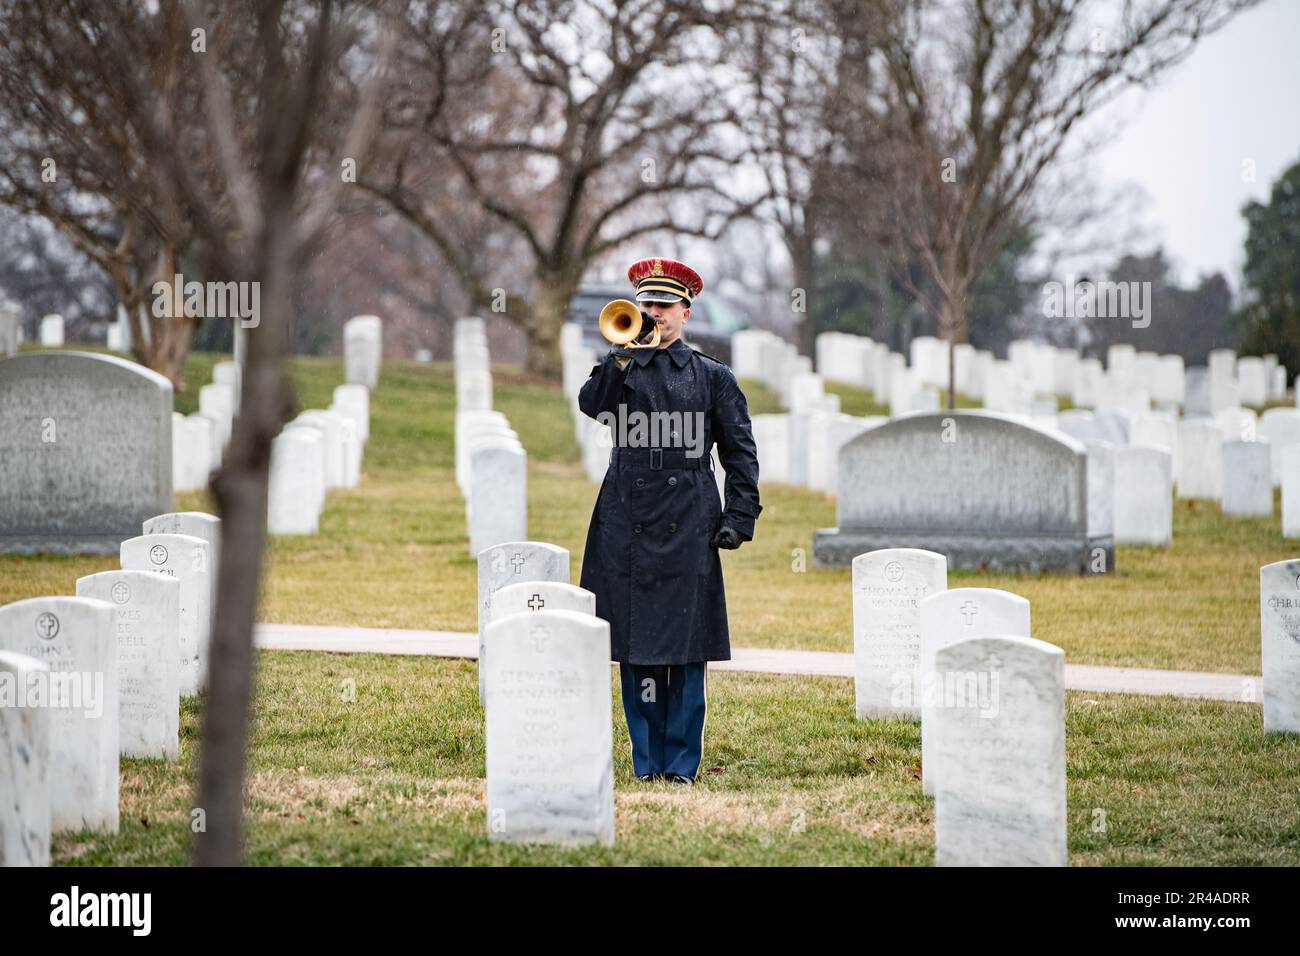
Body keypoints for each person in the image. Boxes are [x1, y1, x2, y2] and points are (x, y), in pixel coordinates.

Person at [578, 257, 761, 785]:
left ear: (685, 311)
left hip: (688, 515)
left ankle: (681, 766)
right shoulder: (619, 365)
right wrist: (619, 359)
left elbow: (740, 454)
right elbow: (592, 405)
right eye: (645, 304)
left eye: (662, 305)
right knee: (634, 647)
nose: (652, 313)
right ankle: (646, 762)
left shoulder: (712, 377)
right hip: (625, 516)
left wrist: (739, 515)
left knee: (685, 649)